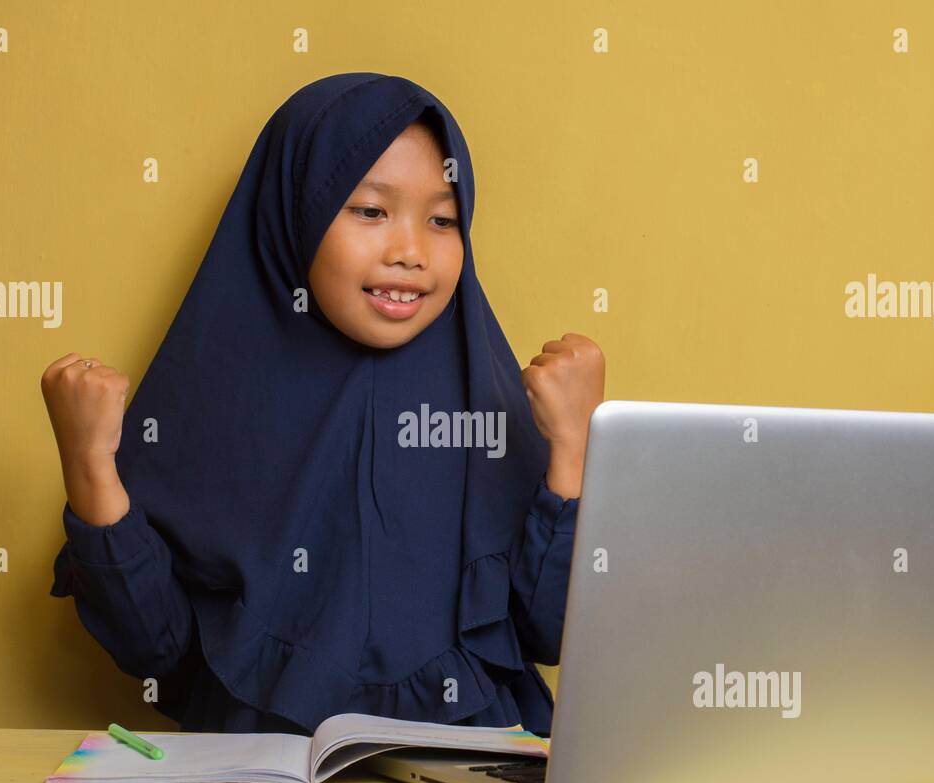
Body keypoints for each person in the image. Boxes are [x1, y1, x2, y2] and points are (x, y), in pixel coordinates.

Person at [40, 73, 604, 736]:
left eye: (443, 219)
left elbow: (554, 634)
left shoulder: (494, 407)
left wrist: (575, 449)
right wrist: (89, 465)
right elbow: (154, 651)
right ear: (292, 214)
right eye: (370, 210)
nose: (409, 252)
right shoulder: (210, 400)